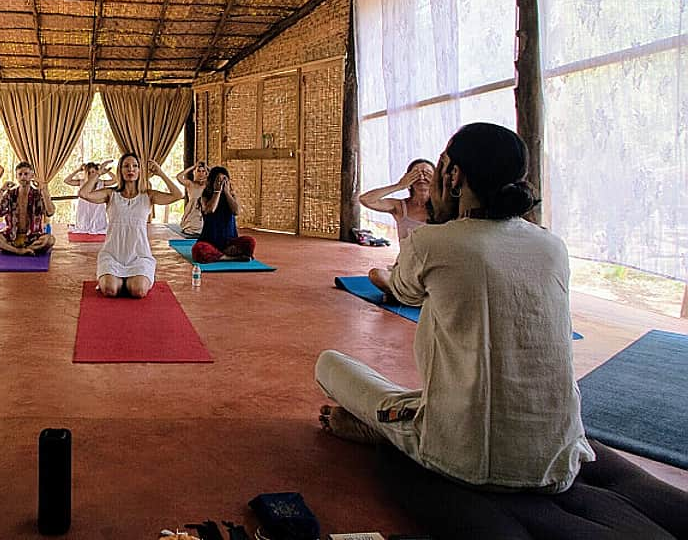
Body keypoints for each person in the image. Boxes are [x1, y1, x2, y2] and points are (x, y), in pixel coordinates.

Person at [316, 123, 594, 493]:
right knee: (443, 390)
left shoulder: (434, 241)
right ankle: (397, 423)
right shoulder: (552, 246)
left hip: (461, 459)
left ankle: (391, 431)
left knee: (330, 364)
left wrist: (443, 218)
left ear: (453, 174)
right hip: (557, 464)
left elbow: (403, 291)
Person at [80, 153, 182, 298]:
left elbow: (178, 195)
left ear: (140, 170)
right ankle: (115, 278)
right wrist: (97, 174)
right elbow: (84, 193)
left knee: (138, 291)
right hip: (112, 255)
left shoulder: (148, 196)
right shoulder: (111, 194)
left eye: (135, 166)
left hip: (139, 256)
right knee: (110, 290)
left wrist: (160, 173)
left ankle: (131, 279)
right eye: (126, 166)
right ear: (120, 171)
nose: (131, 169)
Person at [359, 158, 434, 291]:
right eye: (416, 173)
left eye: (427, 173)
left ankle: (407, 295)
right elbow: (366, 199)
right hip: (407, 269)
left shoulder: (443, 209)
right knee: (376, 274)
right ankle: (411, 293)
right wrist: (399, 185)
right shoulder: (400, 207)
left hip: (432, 270)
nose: (422, 177)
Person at [0, 161, 56, 255]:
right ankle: (18, 251)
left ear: (32, 176)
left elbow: (50, 212)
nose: (23, 177)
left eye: (26, 174)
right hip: (11, 236)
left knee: (50, 240)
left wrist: (43, 190)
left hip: (33, 237)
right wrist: (1, 191)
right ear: (16, 177)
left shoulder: (38, 194)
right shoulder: (11, 194)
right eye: (20, 174)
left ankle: (27, 248)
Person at [191, 166, 256, 263]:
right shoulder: (205, 197)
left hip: (229, 243)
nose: (222, 183)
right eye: (219, 180)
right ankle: (228, 258)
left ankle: (220, 255)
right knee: (199, 250)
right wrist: (217, 191)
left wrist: (227, 192)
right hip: (210, 242)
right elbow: (210, 210)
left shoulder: (231, 196)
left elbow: (236, 211)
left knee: (250, 242)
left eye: (224, 180)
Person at [63, 159, 114, 234]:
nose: (91, 175)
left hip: (97, 213)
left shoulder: (101, 183)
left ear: (97, 172)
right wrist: (78, 170)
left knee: (99, 229)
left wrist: (105, 170)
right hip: (84, 213)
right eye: (88, 173)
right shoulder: (82, 182)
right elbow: (66, 180)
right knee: (83, 228)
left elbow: (116, 180)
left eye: (93, 172)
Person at [175, 161, 210, 237]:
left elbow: (215, 177)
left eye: (203, 171)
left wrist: (207, 168)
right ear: (194, 172)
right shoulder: (190, 183)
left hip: (203, 209)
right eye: (198, 171)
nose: (201, 173)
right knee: (190, 229)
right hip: (192, 210)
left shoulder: (207, 184)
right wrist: (193, 167)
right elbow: (178, 177)